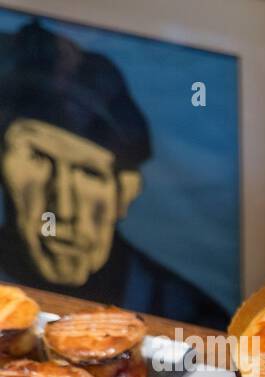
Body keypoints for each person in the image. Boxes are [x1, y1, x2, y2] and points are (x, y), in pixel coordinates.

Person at [0, 19, 227, 327]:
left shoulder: (196, 321)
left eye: (89, 174)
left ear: (126, 191)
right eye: (39, 158)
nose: (62, 209)